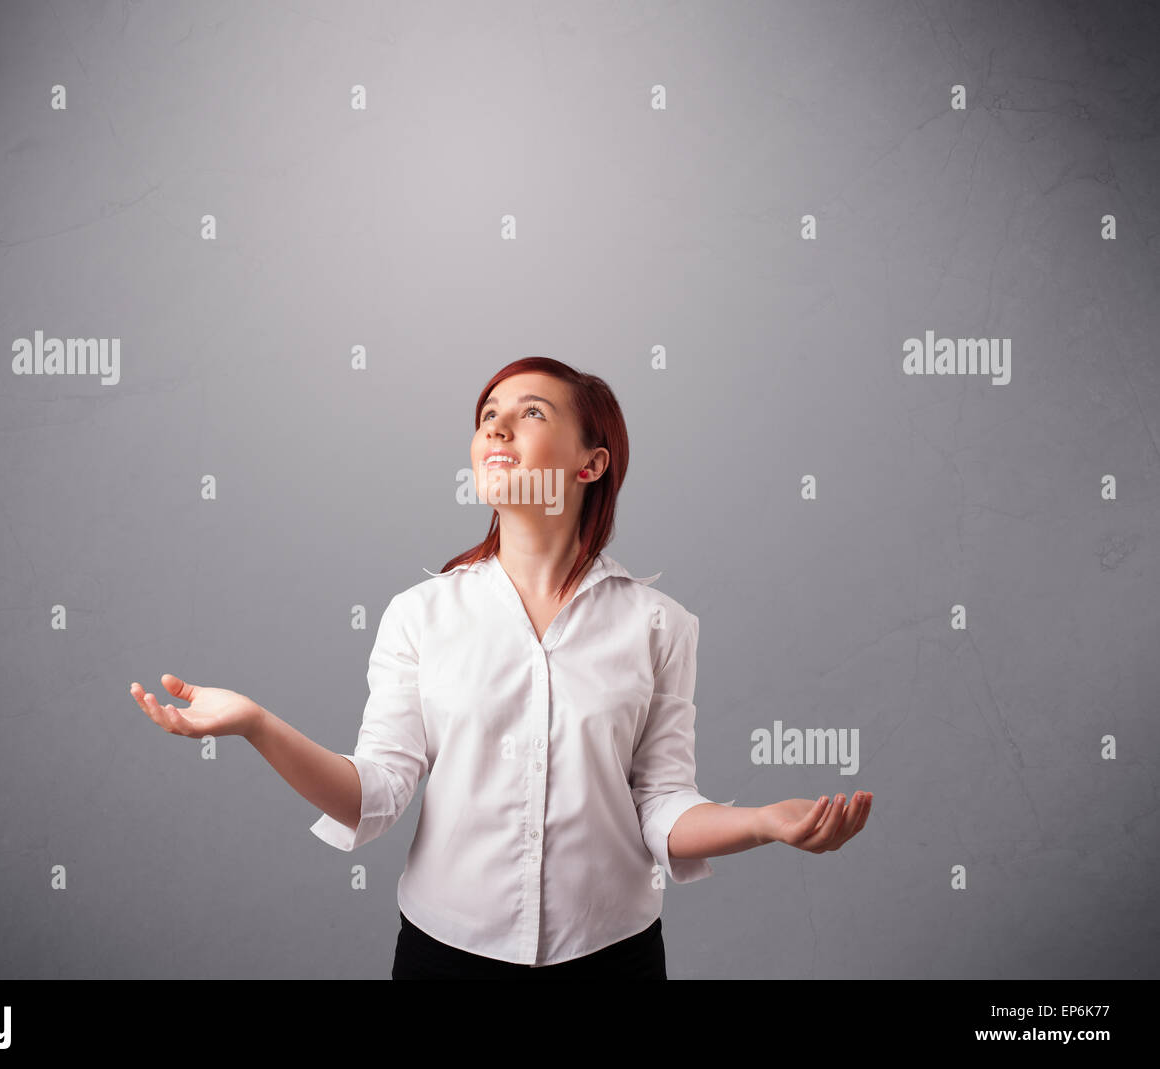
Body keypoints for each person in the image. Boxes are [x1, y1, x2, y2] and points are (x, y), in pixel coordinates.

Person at [129, 357, 873, 979]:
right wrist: (256, 724)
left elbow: (663, 806)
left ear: (591, 461)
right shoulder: (419, 614)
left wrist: (764, 823)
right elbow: (374, 794)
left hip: (613, 959)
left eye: (532, 412)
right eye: (488, 412)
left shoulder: (660, 626)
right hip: (444, 960)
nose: (495, 424)